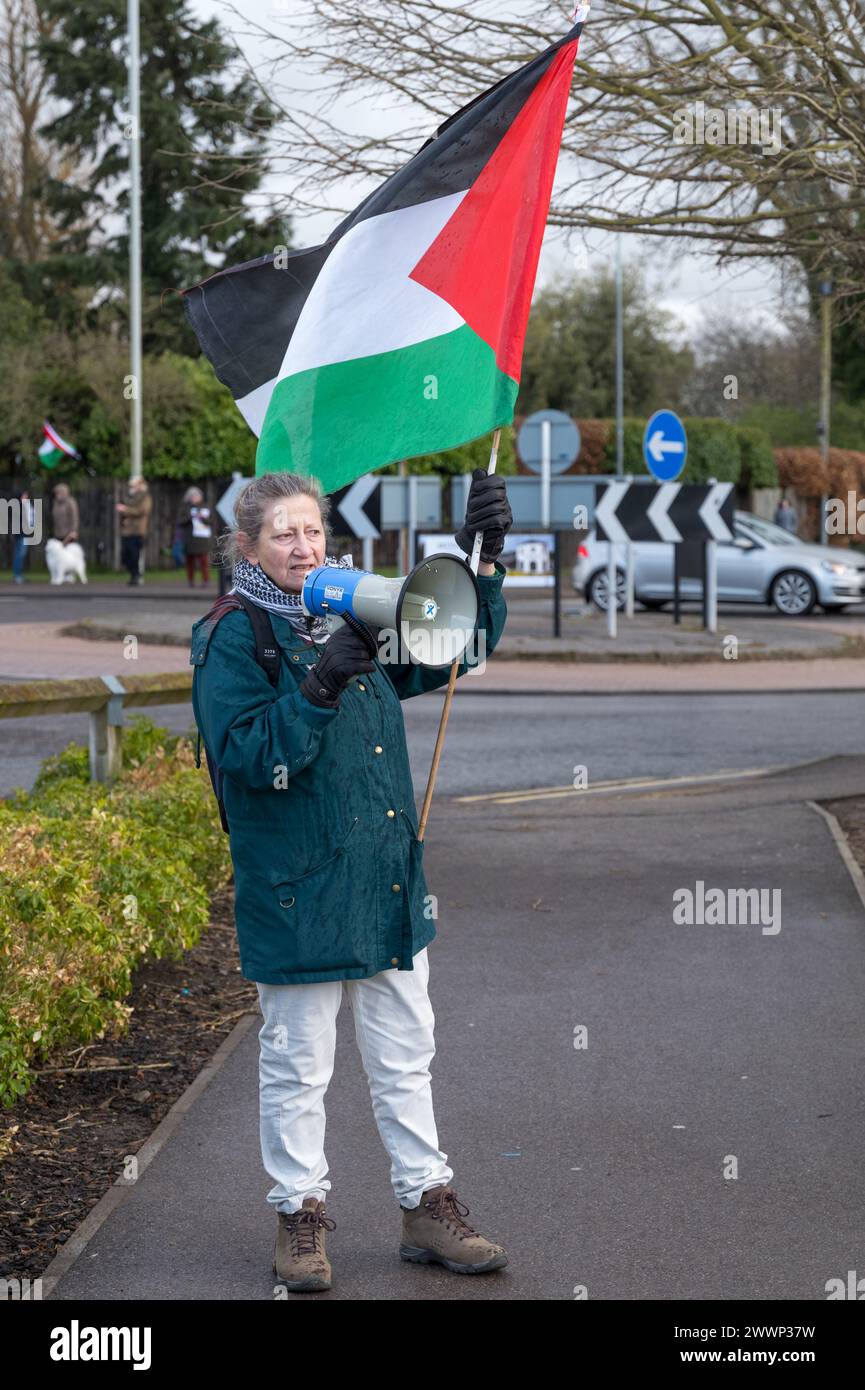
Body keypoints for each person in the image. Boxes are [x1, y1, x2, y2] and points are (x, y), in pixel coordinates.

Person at [189, 467, 513, 1293]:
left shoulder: (353, 607)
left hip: (383, 884)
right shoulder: (233, 633)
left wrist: (484, 565)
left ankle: (425, 1204)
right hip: (294, 888)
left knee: (407, 1056)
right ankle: (299, 1219)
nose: (303, 547)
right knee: (299, 1065)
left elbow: (455, 646)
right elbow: (252, 757)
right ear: (247, 546)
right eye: (284, 534)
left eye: (312, 531)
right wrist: (321, 681)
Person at [116, 477, 152, 585]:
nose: (131, 488)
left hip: (137, 530)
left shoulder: (145, 497)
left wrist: (125, 509)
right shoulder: (130, 497)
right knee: (125, 554)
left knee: (134, 554)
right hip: (126, 530)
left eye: (133, 485)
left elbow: (143, 511)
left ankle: (135, 575)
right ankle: (134, 574)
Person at [176, 486, 212, 587]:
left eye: (197, 496)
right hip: (189, 539)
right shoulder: (185, 508)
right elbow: (180, 522)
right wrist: (190, 517)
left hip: (202, 539)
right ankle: (190, 581)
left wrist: (202, 518)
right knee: (190, 562)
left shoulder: (205, 506)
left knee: (204, 561)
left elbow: (211, 521)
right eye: (193, 496)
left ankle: (205, 581)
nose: (195, 498)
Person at [12, 489, 36, 584]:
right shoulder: (18, 506)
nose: (25, 498)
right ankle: (17, 575)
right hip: (21, 533)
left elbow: (32, 517)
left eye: (26, 496)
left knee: (21, 554)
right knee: (20, 554)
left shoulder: (28, 505)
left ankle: (19, 575)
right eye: (23, 496)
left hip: (25, 532)